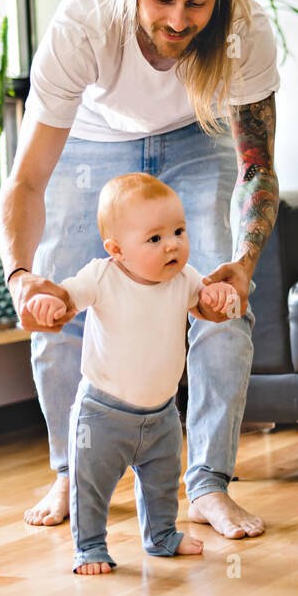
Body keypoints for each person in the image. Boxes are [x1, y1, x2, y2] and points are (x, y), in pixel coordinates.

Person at [0, 0, 279, 539]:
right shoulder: (85, 22)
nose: (178, 21)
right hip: (93, 138)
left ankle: (207, 483)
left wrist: (241, 264)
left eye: (196, 3)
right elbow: (28, 178)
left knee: (221, 302)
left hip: (195, 133)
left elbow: (257, 166)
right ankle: (72, 469)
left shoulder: (244, 34)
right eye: (162, 1)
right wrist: (19, 275)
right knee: (56, 298)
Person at [24, 173, 240, 574]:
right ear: (117, 250)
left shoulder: (184, 277)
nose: (173, 244)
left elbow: (207, 299)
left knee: (162, 483)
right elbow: (68, 297)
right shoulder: (102, 276)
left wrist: (218, 295)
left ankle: (161, 536)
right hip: (102, 414)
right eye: (155, 239)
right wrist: (50, 304)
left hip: (161, 415)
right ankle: (89, 547)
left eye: (179, 230)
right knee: (90, 487)